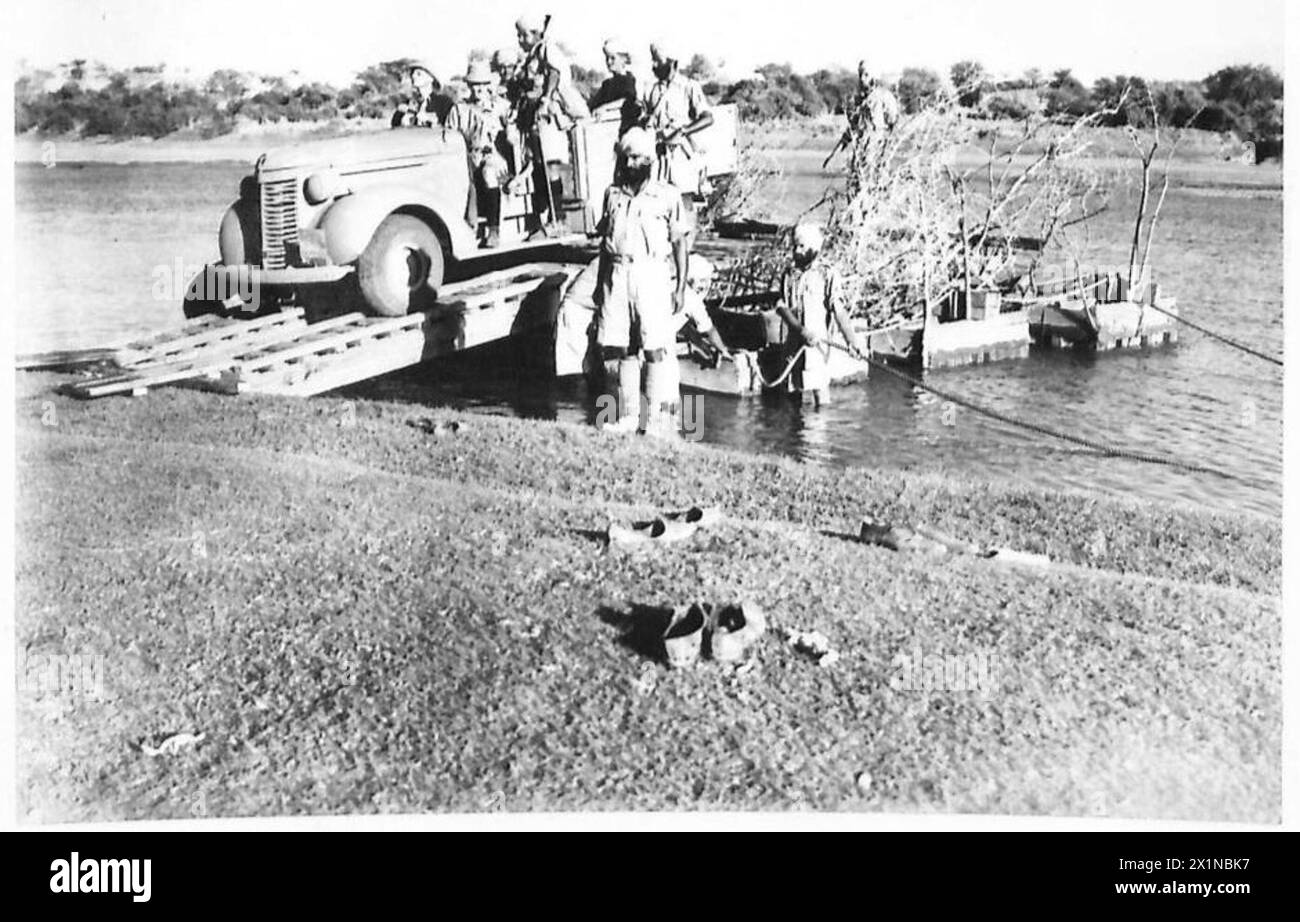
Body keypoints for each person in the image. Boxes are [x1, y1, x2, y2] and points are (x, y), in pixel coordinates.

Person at [593, 127, 691, 437]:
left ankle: (657, 423)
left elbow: (679, 244)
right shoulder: (612, 194)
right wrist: (600, 286)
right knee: (622, 347)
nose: (631, 163)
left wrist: (680, 286)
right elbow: (604, 245)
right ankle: (628, 417)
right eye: (626, 157)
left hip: (652, 276)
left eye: (637, 157)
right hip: (617, 275)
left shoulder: (667, 195)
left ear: (649, 159)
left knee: (654, 348)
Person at [509, 14, 589, 232]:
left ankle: (558, 219)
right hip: (533, 117)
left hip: (548, 116)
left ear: (535, 34)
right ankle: (545, 219)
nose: (520, 40)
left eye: (523, 35)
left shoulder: (547, 49)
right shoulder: (529, 57)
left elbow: (555, 72)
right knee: (538, 167)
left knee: (550, 166)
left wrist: (545, 100)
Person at [774, 223, 866, 408]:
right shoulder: (789, 275)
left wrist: (852, 341)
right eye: (795, 246)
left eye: (802, 247)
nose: (796, 251)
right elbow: (782, 307)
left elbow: (839, 311)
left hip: (818, 346)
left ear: (814, 249)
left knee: (820, 395)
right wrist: (800, 330)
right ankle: (795, 432)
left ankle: (819, 430)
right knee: (792, 393)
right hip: (794, 344)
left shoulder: (827, 274)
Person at [447, 60, 513, 248]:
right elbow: (451, 136)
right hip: (465, 156)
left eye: (483, 85)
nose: (479, 89)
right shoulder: (458, 110)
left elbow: (510, 136)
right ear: (469, 86)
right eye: (475, 85)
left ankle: (494, 230)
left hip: (493, 157)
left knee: (489, 173)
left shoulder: (500, 107)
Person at [641, 40, 714, 203]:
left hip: (681, 159)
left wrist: (682, 131)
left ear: (672, 62)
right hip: (659, 159)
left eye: (658, 61)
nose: (653, 65)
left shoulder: (688, 87)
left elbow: (708, 118)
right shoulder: (653, 91)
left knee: (684, 207)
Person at [589, 38, 640, 134]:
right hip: (605, 129)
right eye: (607, 58)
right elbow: (594, 104)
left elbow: (627, 100)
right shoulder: (607, 84)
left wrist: (605, 107)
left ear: (623, 59)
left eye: (613, 58)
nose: (609, 62)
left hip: (622, 130)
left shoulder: (628, 80)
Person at [393, 64, 453, 128]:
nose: (413, 76)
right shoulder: (407, 103)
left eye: (419, 74)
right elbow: (394, 128)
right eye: (413, 73)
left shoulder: (444, 102)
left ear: (431, 78)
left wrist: (429, 119)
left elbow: (449, 129)